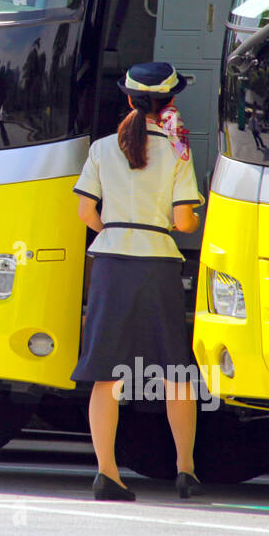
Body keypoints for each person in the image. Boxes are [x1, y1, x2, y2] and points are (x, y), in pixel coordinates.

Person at [71, 62, 204, 501]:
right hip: (157, 263)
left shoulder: (103, 148)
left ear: (129, 99)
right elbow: (184, 222)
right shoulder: (178, 151)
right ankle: (185, 470)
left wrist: (114, 232)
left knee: (105, 372)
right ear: (170, 103)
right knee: (174, 369)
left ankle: (107, 473)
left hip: (109, 262)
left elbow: (85, 212)